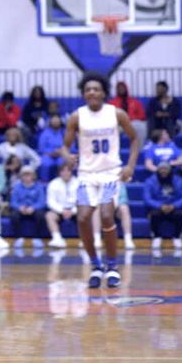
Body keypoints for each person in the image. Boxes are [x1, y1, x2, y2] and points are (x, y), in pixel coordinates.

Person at [62, 72, 141, 288]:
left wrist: (130, 165)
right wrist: (67, 156)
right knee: (83, 218)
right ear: (84, 94)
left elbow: (135, 139)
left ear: (104, 92)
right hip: (87, 174)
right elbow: (64, 146)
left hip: (109, 173)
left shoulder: (117, 114)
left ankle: (113, 267)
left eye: (96, 89)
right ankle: (96, 266)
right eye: (88, 89)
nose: (92, 92)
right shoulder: (77, 116)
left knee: (107, 215)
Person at [143, 161, 182, 251]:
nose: (163, 171)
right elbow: (147, 198)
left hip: (173, 207)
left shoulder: (179, 181)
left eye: (166, 169)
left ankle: (177, 237)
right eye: (161, 169)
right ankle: (156, 237)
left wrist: (174, 205)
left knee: (179, 214)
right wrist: (160, 206)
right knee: (154, 214)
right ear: (158, 170)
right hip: (158, 208)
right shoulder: (150, 181)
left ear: (170, 170)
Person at [9, 166, 46, 251]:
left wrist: (33, 208)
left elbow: (42, 202)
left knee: (40, 215)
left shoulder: (39, 187)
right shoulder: (17, 187)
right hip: (21, 209)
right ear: (21, 176)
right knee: (14, 215)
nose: (26, 177)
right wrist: (19, 207)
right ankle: (18, 238)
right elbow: (13, 202)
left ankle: (37, 238)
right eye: (24, 175)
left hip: (33, 209)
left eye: (28, 175)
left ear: (33, 176)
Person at [45, 162, 81, 249]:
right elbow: (50, 201)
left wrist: (72, 211)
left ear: (71, 172)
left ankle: (85, 239)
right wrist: (62, 211)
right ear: (59, 172)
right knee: (49, 215)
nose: (65, 173)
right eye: (63, 171)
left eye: (68, 171)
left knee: (85, 214)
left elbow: (82, 201)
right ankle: (57, 239)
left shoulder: (79, 183)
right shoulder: (53, 184)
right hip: (59, 210)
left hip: (76, 209)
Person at [110, 80, 147, 147]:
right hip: (119, 124)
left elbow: (142, 115)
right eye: (119, 88)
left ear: (126, 88)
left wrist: (132, 119)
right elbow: (109, 116)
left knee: (141, 126)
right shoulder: (112, 103)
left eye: (123, 88)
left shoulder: (135, 101)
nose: (121, 89)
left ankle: (140, 149)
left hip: (133, 123)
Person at [37, 113, 66, 181]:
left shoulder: (64, 132)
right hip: (48, 155)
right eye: (53, 120)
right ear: (50, 121)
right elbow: (41, 149)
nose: (55, 121)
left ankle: (62, 182)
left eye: (57, 119)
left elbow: (68, 146)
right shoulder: (44, 133)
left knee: (62, 162)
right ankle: (44, 182)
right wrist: (51, 153)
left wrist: (61, 152)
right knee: (45, 163)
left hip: (61, 155)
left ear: (60, 121)